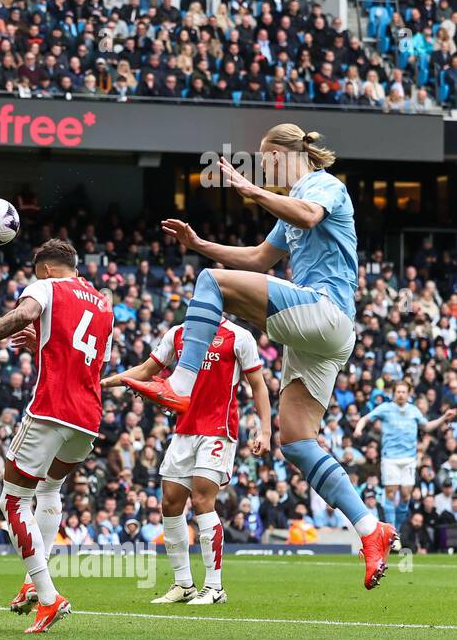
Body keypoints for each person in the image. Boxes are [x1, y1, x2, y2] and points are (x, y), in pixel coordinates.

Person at [124, 125, 397, 590]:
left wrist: (248, 189)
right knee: (295, 440)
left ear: (291, 153)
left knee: (212, 283)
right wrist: (198, 245)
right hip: (318, 336)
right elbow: (255, 259)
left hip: (324, 311)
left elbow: (310, 216)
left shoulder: (323, 184)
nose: (265, 169)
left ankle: (183, 383)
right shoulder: (289, 207)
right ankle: (371, 530)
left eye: (268, 160)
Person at [0, 239, 114, 633]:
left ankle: (49, 598)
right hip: (88, 417)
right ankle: (33, 583)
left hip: (52, 409)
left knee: (12, 500)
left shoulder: (46, 288)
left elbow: (25, 313)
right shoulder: (103, 304)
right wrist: (43, 345)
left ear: (47, 269)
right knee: (49, 490)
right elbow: (86, 361)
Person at [106, 319, 270, 604]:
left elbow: (258, 385)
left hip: (218, 429)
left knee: (202, 500)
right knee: (169, 502)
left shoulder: (238, 336)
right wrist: (105, 384)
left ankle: (215, 587)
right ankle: (184, 584)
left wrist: (265, 429)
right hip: (184, 430)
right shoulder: (178, 332)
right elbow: (146, 370)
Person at [354, 381, 454, 531]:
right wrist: (358, 429)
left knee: (406, 496)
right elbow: (365, 418)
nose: (400, 394)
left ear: (408, 394)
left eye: (403, 392)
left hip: (408, 459)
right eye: (398, 392)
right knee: (390, 493)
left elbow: (426, 426)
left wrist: (444, 418)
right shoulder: (385, 409)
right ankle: (391, 530)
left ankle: (397, 529)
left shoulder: (413, 411)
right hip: (390, 458)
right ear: (394, 393)